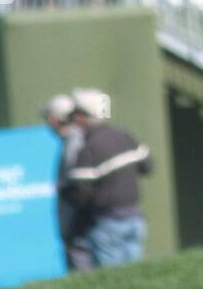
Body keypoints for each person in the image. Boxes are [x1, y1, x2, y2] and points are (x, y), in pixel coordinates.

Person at [66, 89, 153, 266]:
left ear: (83, 116)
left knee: (115, 280)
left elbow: (82, 194)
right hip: (135, 219)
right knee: (135, 277)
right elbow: (148, 166)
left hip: (107, 223)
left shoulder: (87, 149)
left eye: (75, 114)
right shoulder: (125, 136)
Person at [42, 94, 93, 270]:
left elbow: (77, 185)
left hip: (78, 224)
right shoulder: (72, 140)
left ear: (55, 119)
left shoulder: (74, 141)